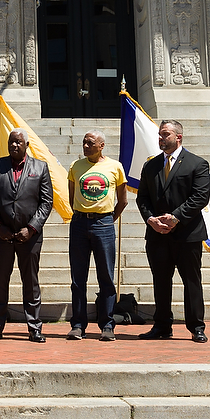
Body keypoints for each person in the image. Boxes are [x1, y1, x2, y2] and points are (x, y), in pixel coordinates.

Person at [136, 119, 210, 343]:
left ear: (178, 137)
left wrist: (176, 217)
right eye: (160, 135)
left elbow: (200, 196)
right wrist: (151, 219)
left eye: (165, 135)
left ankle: (196, 327)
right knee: (161, 281)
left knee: (191, 281)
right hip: (157, 235)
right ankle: (161, 325)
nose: (160, 138)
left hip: (187, 235)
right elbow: (142, 198)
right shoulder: (150, 165)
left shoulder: (197, 164)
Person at [0, 128, 54, 343]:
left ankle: (34, 327)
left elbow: (46, 202)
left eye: (18, 142)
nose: (14, 146)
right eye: (11, 142)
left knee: (30, 282)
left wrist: (31, 228)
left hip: (29, 237)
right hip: (1, 235)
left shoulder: (40, 168)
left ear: (26, 145)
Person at [66, 131, 128, 341]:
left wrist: (110, 218)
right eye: (84, 142)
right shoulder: (76, 166)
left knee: (106, 278)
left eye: (90, 143)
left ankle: (108, 325)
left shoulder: (115, 167)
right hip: (80, 223)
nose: (85, 146)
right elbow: (71, 194)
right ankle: (77, 325)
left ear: (101, 146)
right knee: (78, 278)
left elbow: (123, 200)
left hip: (104, 223)